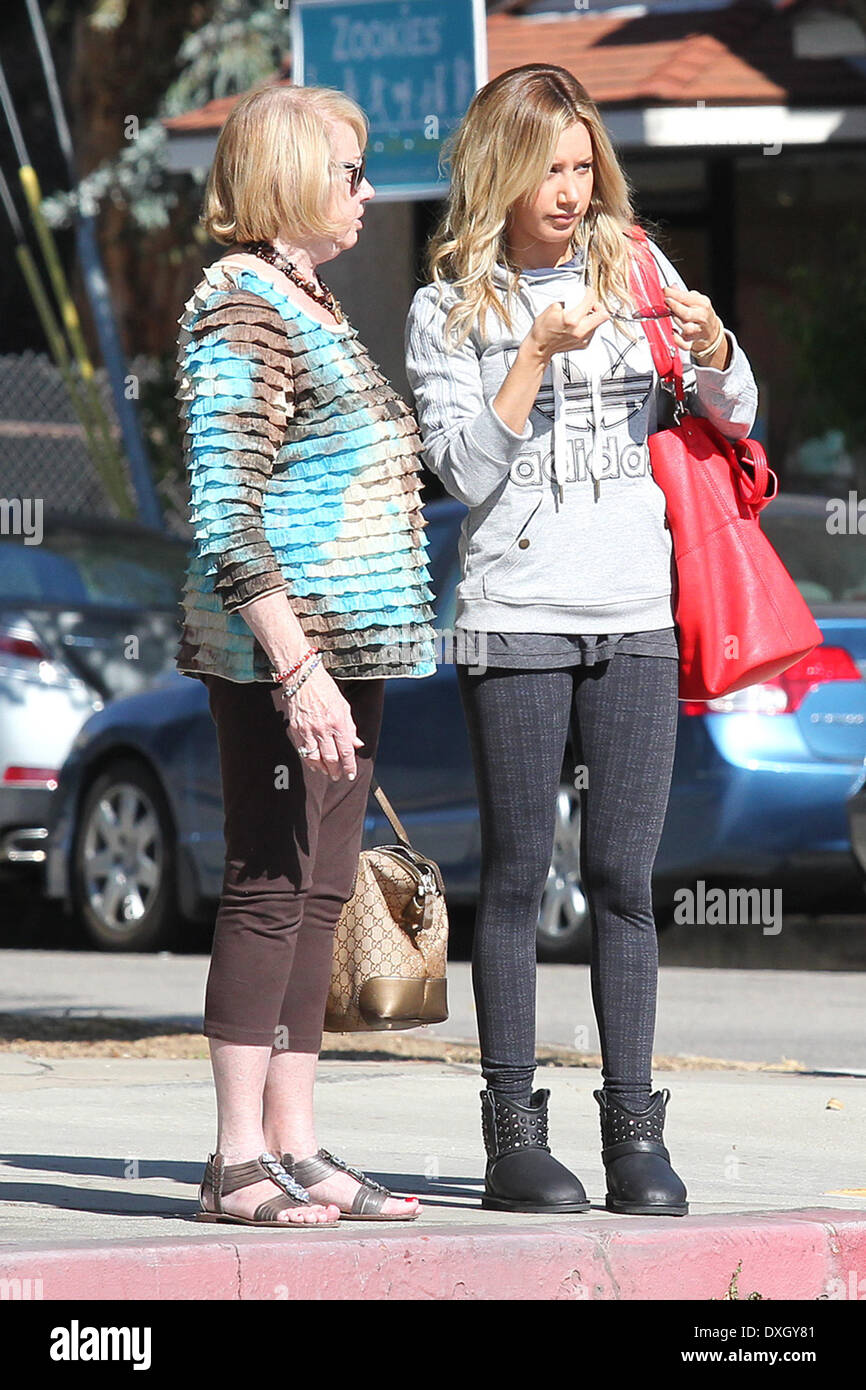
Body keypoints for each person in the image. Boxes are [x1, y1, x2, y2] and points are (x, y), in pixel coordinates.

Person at [405, 63, 758, 1216]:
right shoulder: (449, 304)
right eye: (547, 168)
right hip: (514, 618)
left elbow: (733, 414)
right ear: (499, 172)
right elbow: (459, 469)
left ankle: (633, 1136)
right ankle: (513, 1135)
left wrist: (709, 349)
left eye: (579, 166)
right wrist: (532, 355)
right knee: (512, 878)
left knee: (623, 879)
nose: (569, 189)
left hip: (636, 615)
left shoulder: (637, 266)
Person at [176, 81, 436, 1227]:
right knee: (271, 885)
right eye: (349, 171)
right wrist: (296, 668)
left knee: (321, 891)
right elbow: (224, 511)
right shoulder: (239, 306)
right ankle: (236, 1156)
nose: (368, 191)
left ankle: (297, 1141)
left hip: (350, 646)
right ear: (286, 176)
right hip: (281, 657)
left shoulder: (306, 298)